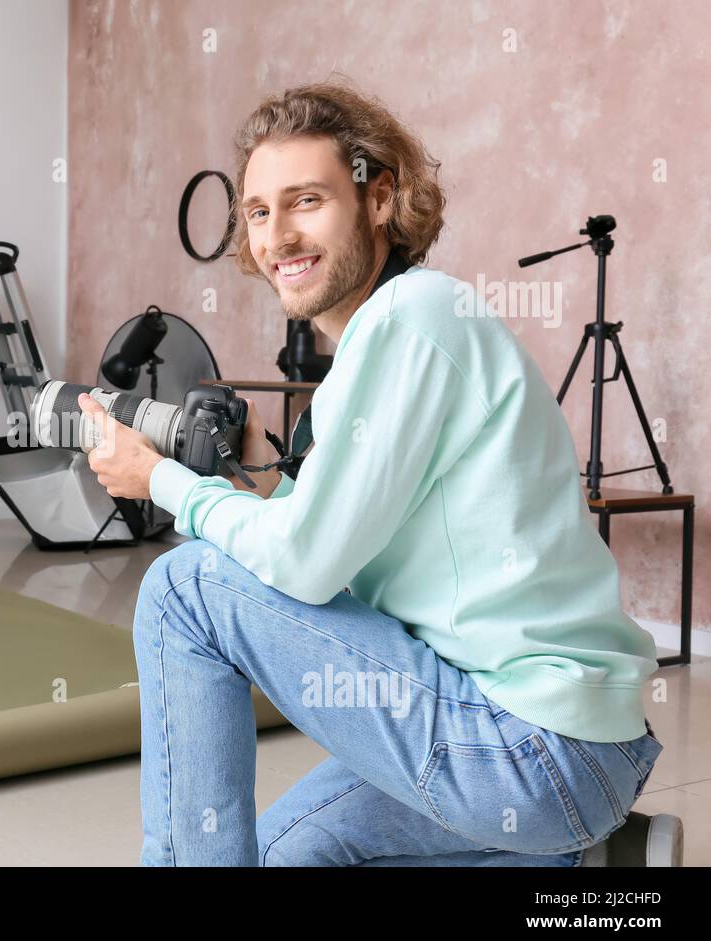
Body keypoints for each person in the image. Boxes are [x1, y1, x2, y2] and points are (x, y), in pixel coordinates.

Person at [78, 80, 681, 866]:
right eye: (259, 212)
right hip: (571, 754)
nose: (277, 236)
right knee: (285, 857)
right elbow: (310, 549)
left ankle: (549, 834)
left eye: (306, 202)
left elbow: (303, 563)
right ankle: (584, 864)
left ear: (379, 200)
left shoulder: (412, 319)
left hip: (527, 746)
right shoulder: (383, 347)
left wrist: (159, 481)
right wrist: (258, 466)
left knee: (181, 589)